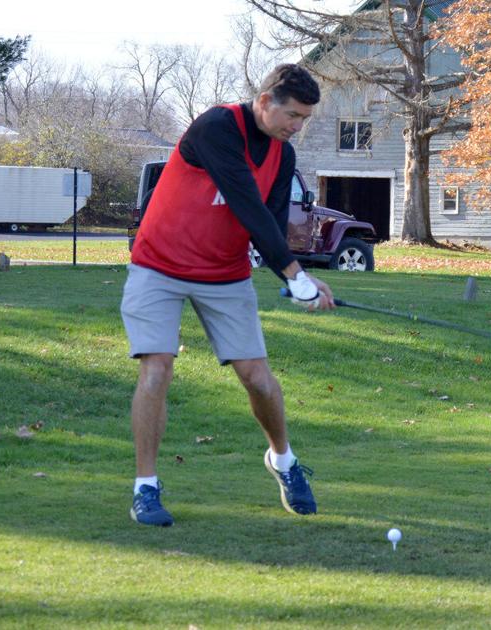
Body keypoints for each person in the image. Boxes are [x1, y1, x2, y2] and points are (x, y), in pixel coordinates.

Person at [120, 64, 333, 527]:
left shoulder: (283, 156)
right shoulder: (217, 127)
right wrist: (295, 273)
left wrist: (299, 278)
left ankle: (283, 461)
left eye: (304, 119)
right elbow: (244, 201)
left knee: (257, 378)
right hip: (158, 265)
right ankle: (146, 489)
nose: (296, 126)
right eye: (292, 115)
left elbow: (271, 225)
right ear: (263, 102)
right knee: (156, 369)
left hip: (224, 274)